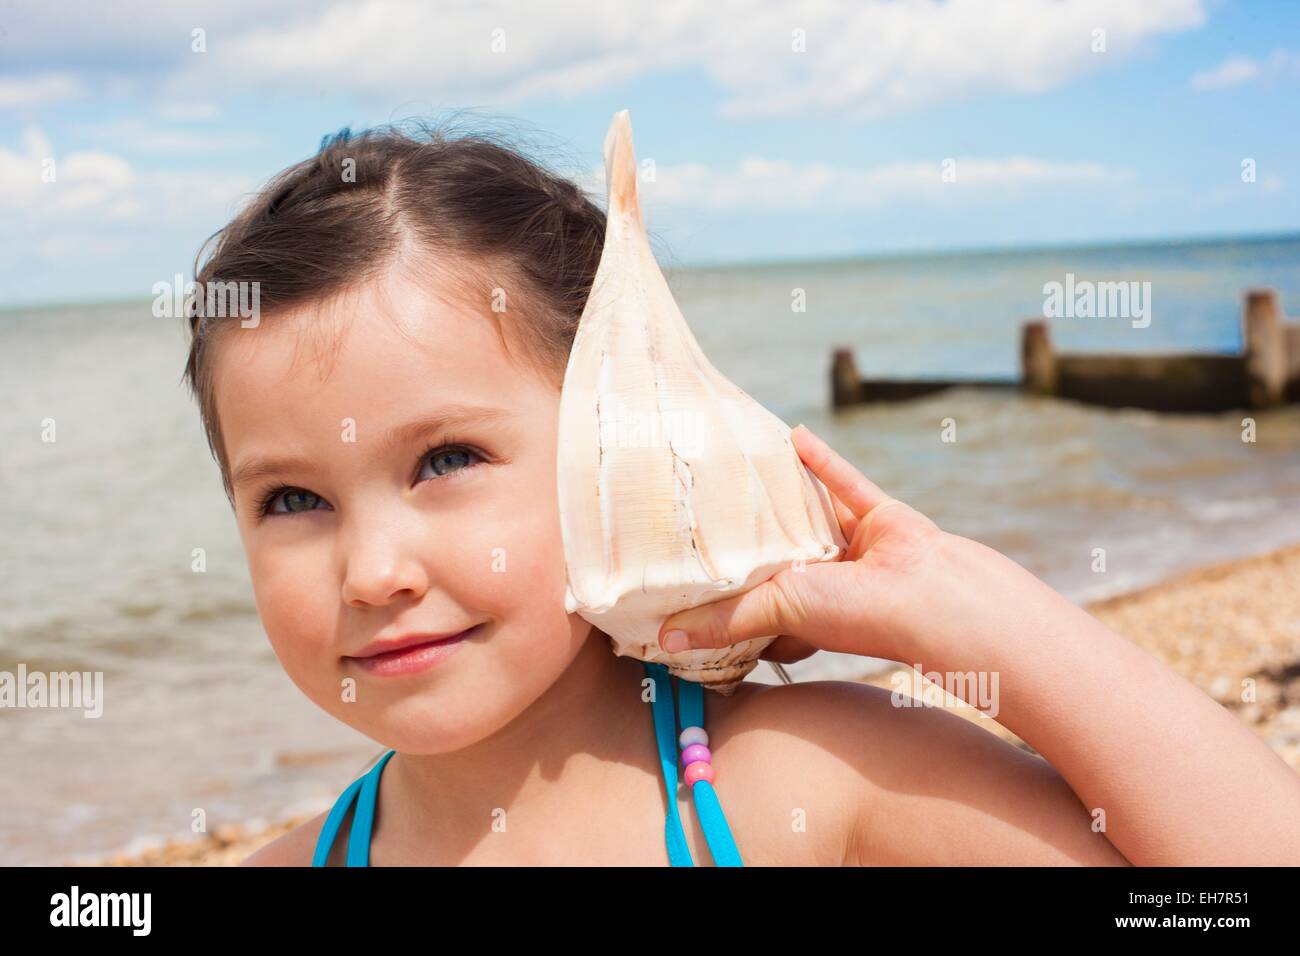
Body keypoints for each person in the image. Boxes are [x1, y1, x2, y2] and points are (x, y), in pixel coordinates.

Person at [181, 120, 1300, 866]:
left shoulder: (801, 782)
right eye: (288, 499)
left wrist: (972, 609)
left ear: (610, 437)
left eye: (447, 460)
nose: (374, 570)